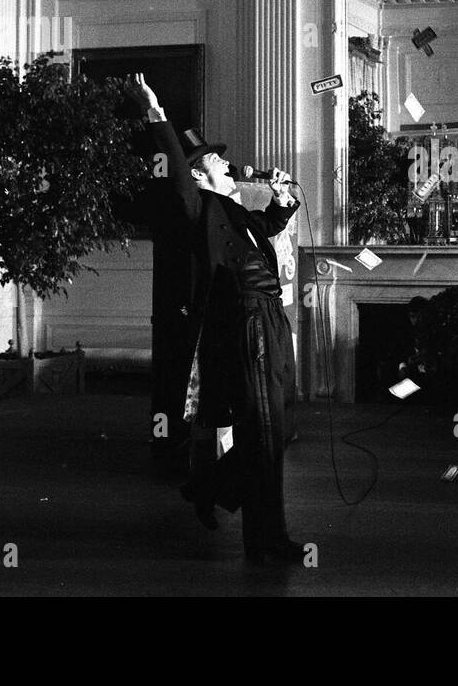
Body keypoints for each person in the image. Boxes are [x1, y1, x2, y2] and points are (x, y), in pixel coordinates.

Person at [133, 73, 306, 564]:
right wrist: (156, 113)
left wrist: (282, 194)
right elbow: (172, 171)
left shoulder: (236, 210)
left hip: (270, 319)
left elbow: (273, 222)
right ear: (199, 174)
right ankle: (267, 542)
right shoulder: (198, 208)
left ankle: (207, 486)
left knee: (271, 427)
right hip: (246, 321)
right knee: (265, 430)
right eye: (216, 160)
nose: (228, 165)